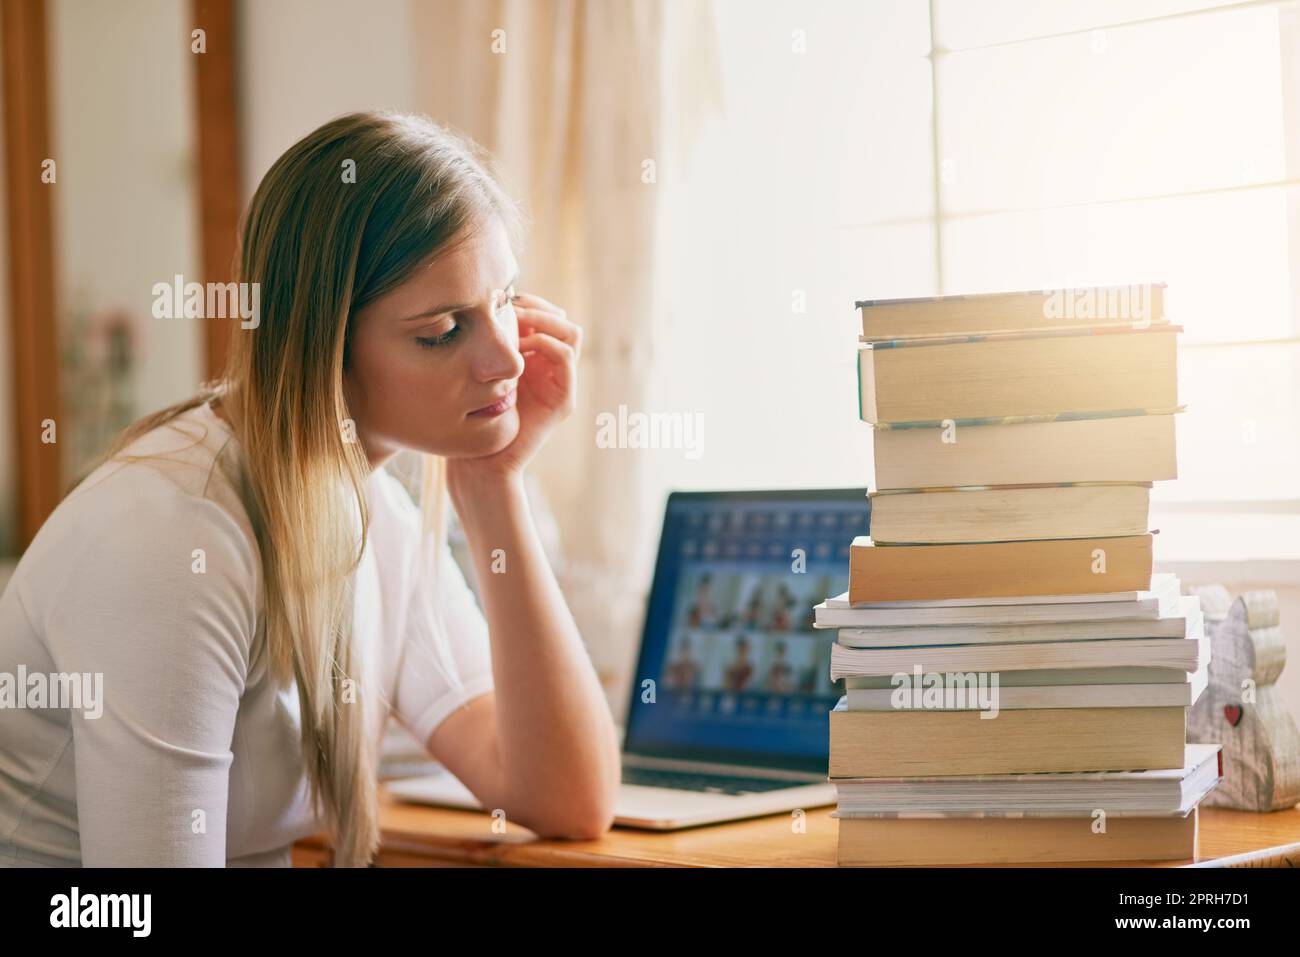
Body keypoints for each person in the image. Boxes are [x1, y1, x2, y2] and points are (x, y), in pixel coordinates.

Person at [0, 112, 619, 867]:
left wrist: (494, 484)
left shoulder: (374, 511)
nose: (505, 359)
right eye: (442, 330)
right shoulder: (177, 540)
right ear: (320, 343)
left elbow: (561, 795)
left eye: (504, 300)